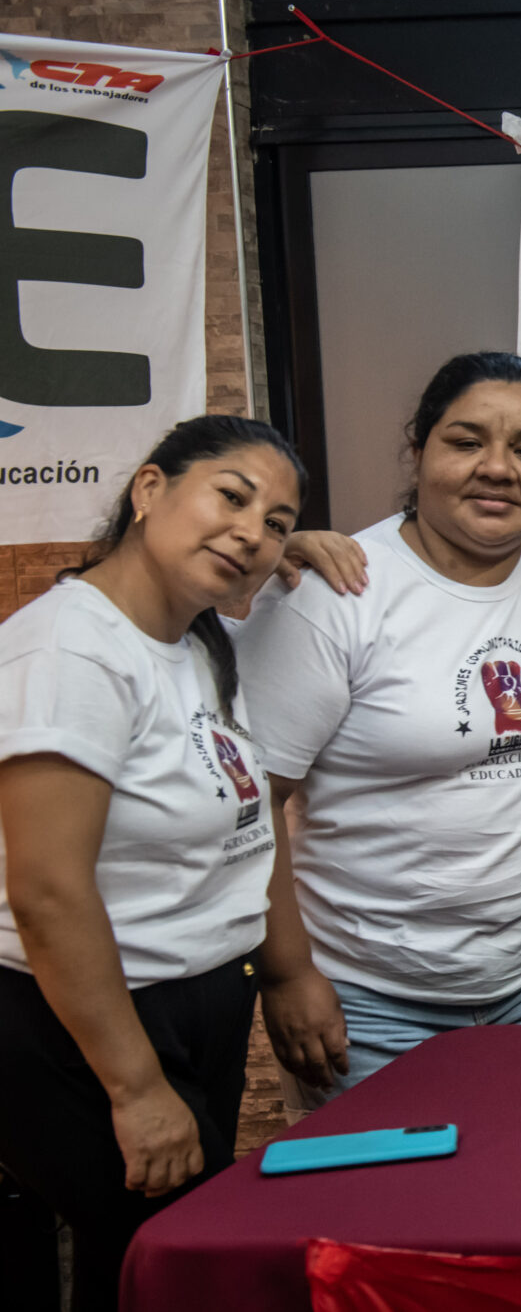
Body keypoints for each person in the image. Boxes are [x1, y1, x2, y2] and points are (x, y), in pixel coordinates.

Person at [0, 415, 305, 1311]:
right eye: (231, 496)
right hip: (83, 1028)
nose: (253, 532)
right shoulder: (69, 648)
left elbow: (251, 826)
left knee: (133, 1270)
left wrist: (286, 970)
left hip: (196, 1003)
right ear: (148, 489)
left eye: (278, 520)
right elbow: (48, 889)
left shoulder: (194, 642)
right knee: (200, 1270)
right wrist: (134, 1089)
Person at [236, 352, 521, 1097]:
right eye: (467, 442)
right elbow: (254, 801)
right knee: (375, 1212)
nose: (498, 468)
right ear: (418, 448)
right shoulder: (338, 592)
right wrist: (288, 973)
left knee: (512, 1199)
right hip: (368, 1001)